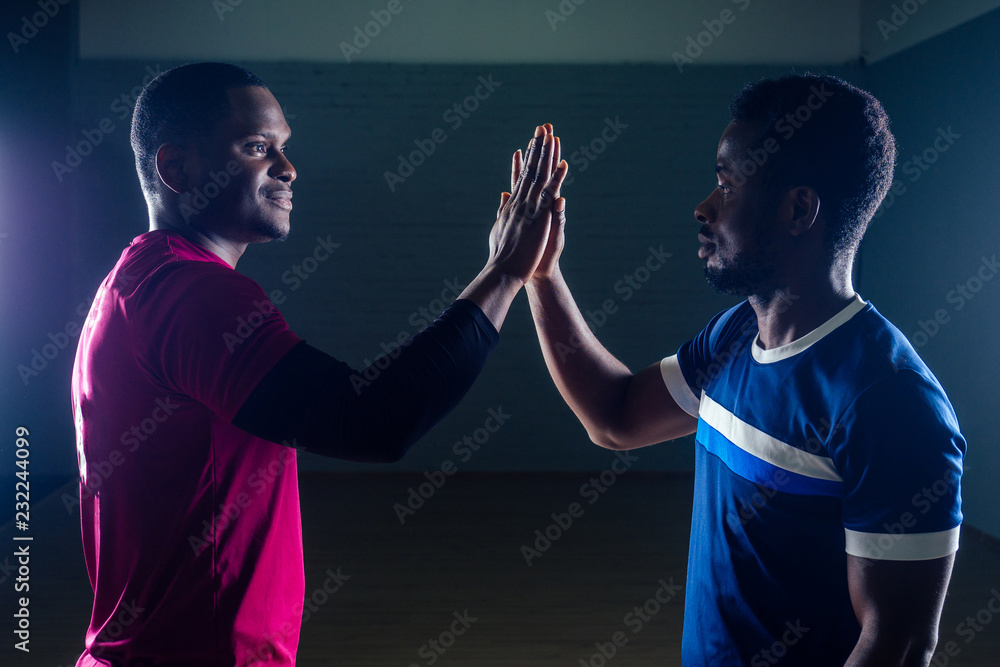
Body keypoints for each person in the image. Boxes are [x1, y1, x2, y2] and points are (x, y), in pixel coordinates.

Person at [70, 62, 566, 666]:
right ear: (175, 169)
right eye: (257, 148)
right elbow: (372, 420)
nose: (287, 168)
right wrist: (504, 274)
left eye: (284, 147)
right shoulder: (192, 294)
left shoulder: (139, 280)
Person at [524, 75, 965, 666]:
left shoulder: (890, 403)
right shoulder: (734, 334)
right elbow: (615, 418)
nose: (704, 207)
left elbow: (899, 643)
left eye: (727, 186)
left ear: (798, 209)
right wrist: (541, 274)